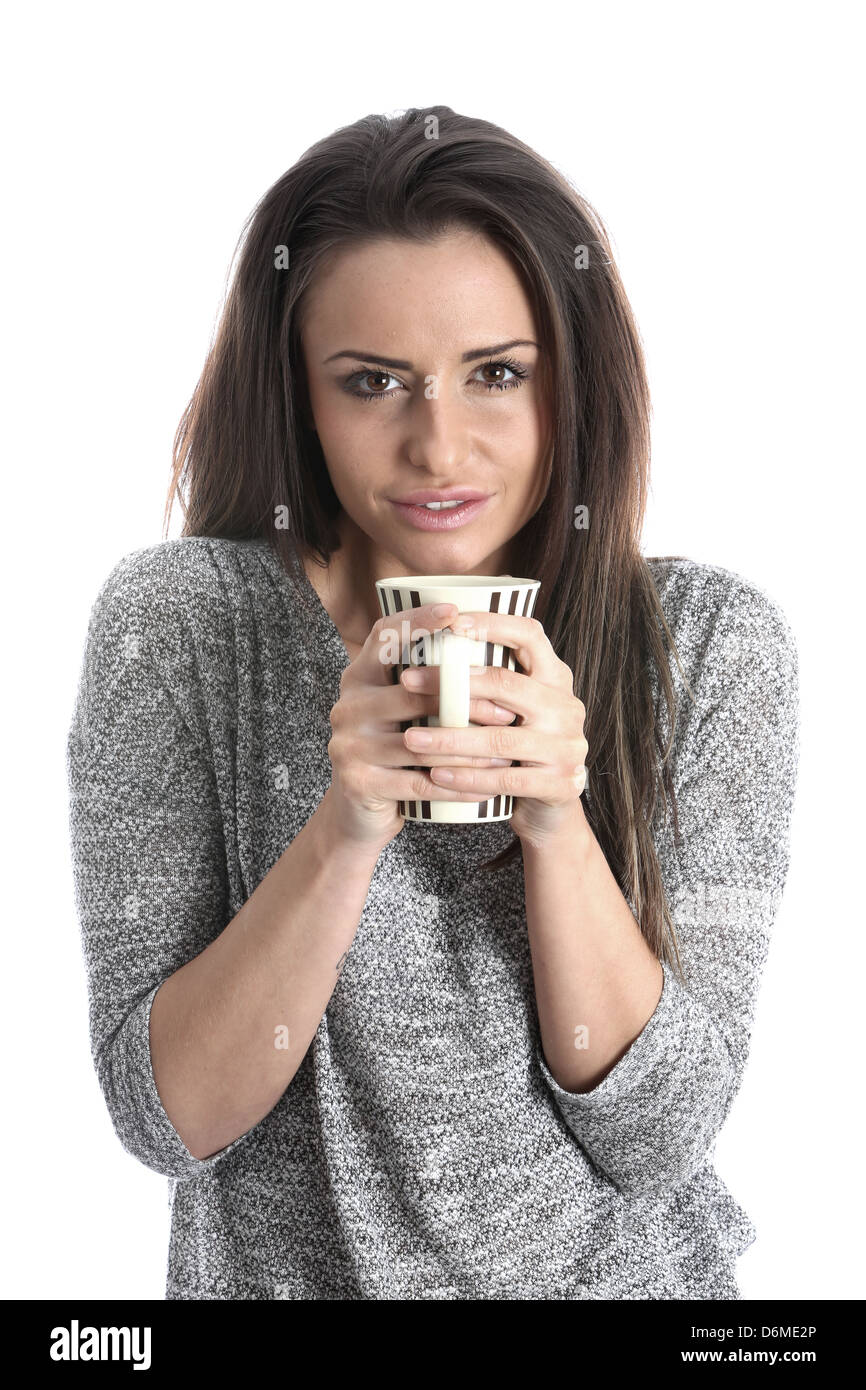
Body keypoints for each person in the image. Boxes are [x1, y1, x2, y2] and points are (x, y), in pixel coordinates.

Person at [66, 105, 800, 1300]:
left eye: (495, 374)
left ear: (573, 382)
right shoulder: (182, 625)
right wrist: (343, 824)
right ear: (301, 394)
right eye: (372, 384)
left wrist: (555, 821)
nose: (437, 447)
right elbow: (169, 1119)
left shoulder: (709, 646)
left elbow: (658, 1138)